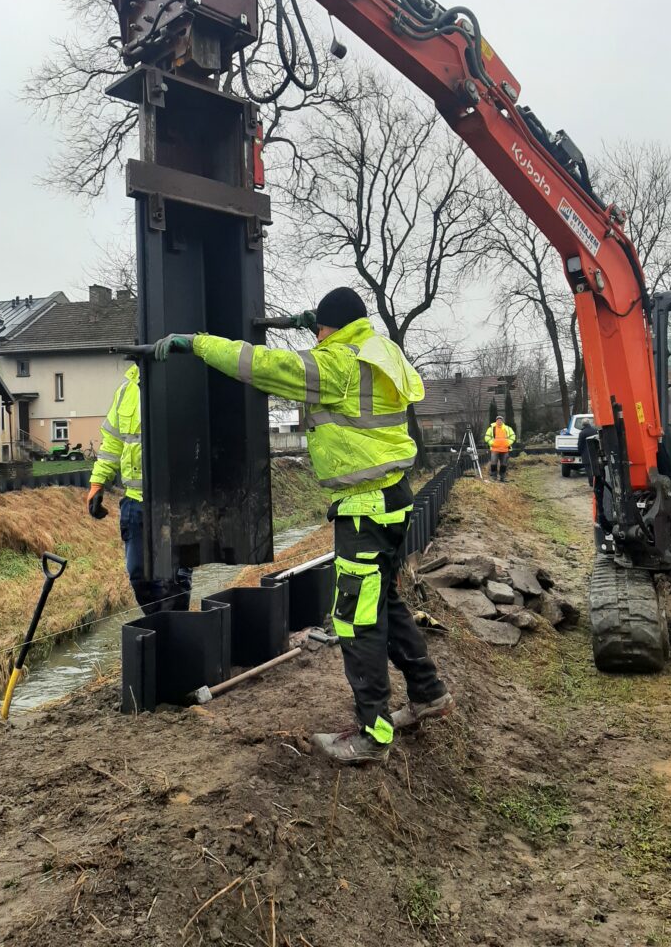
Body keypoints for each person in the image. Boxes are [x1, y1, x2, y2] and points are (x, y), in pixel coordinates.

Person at [153, 287, 452, 766]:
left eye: (320, 331)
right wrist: (313, 323)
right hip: (395, 498)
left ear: (330, 329)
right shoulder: (379, 350)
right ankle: (428, 693)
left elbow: (264, 365)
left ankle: (372, 736)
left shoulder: (336, 366)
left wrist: (199, 343)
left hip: (365, 510)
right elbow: (341, 348)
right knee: (384, 602)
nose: (316, 338)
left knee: (355, 619)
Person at [87, 363, 192, 615]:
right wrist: (98, 482)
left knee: (172, 580)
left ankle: (176, 629)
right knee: (138, 576)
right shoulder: (126, 390)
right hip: (135, 502)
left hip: (174, 503)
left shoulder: (184, 380)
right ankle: (159, 625)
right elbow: (113, 443)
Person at [484, 414, 516, 481]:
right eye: (498, 420)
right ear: (496, 421)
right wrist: (492, 443)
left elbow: (513, 436)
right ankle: (494, 477)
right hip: (495, 449)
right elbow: (487, 437)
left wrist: (508, 443)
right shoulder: (491, 428)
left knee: (504, 464)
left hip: (505, 449)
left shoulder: (507, 428)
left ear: (502, 421)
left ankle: (502, 477)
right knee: (493, 463)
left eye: (500, 420)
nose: (499, 421)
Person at [576, 419, 598, 487]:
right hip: (595, 453)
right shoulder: (595, 431)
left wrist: (580, 452)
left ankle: (592, 483)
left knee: (589, 469)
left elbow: (580, 444)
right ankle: (597, 483)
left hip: (586, 454)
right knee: (596, 468)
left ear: (583, 424)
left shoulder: (582, 433)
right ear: (589, 423)